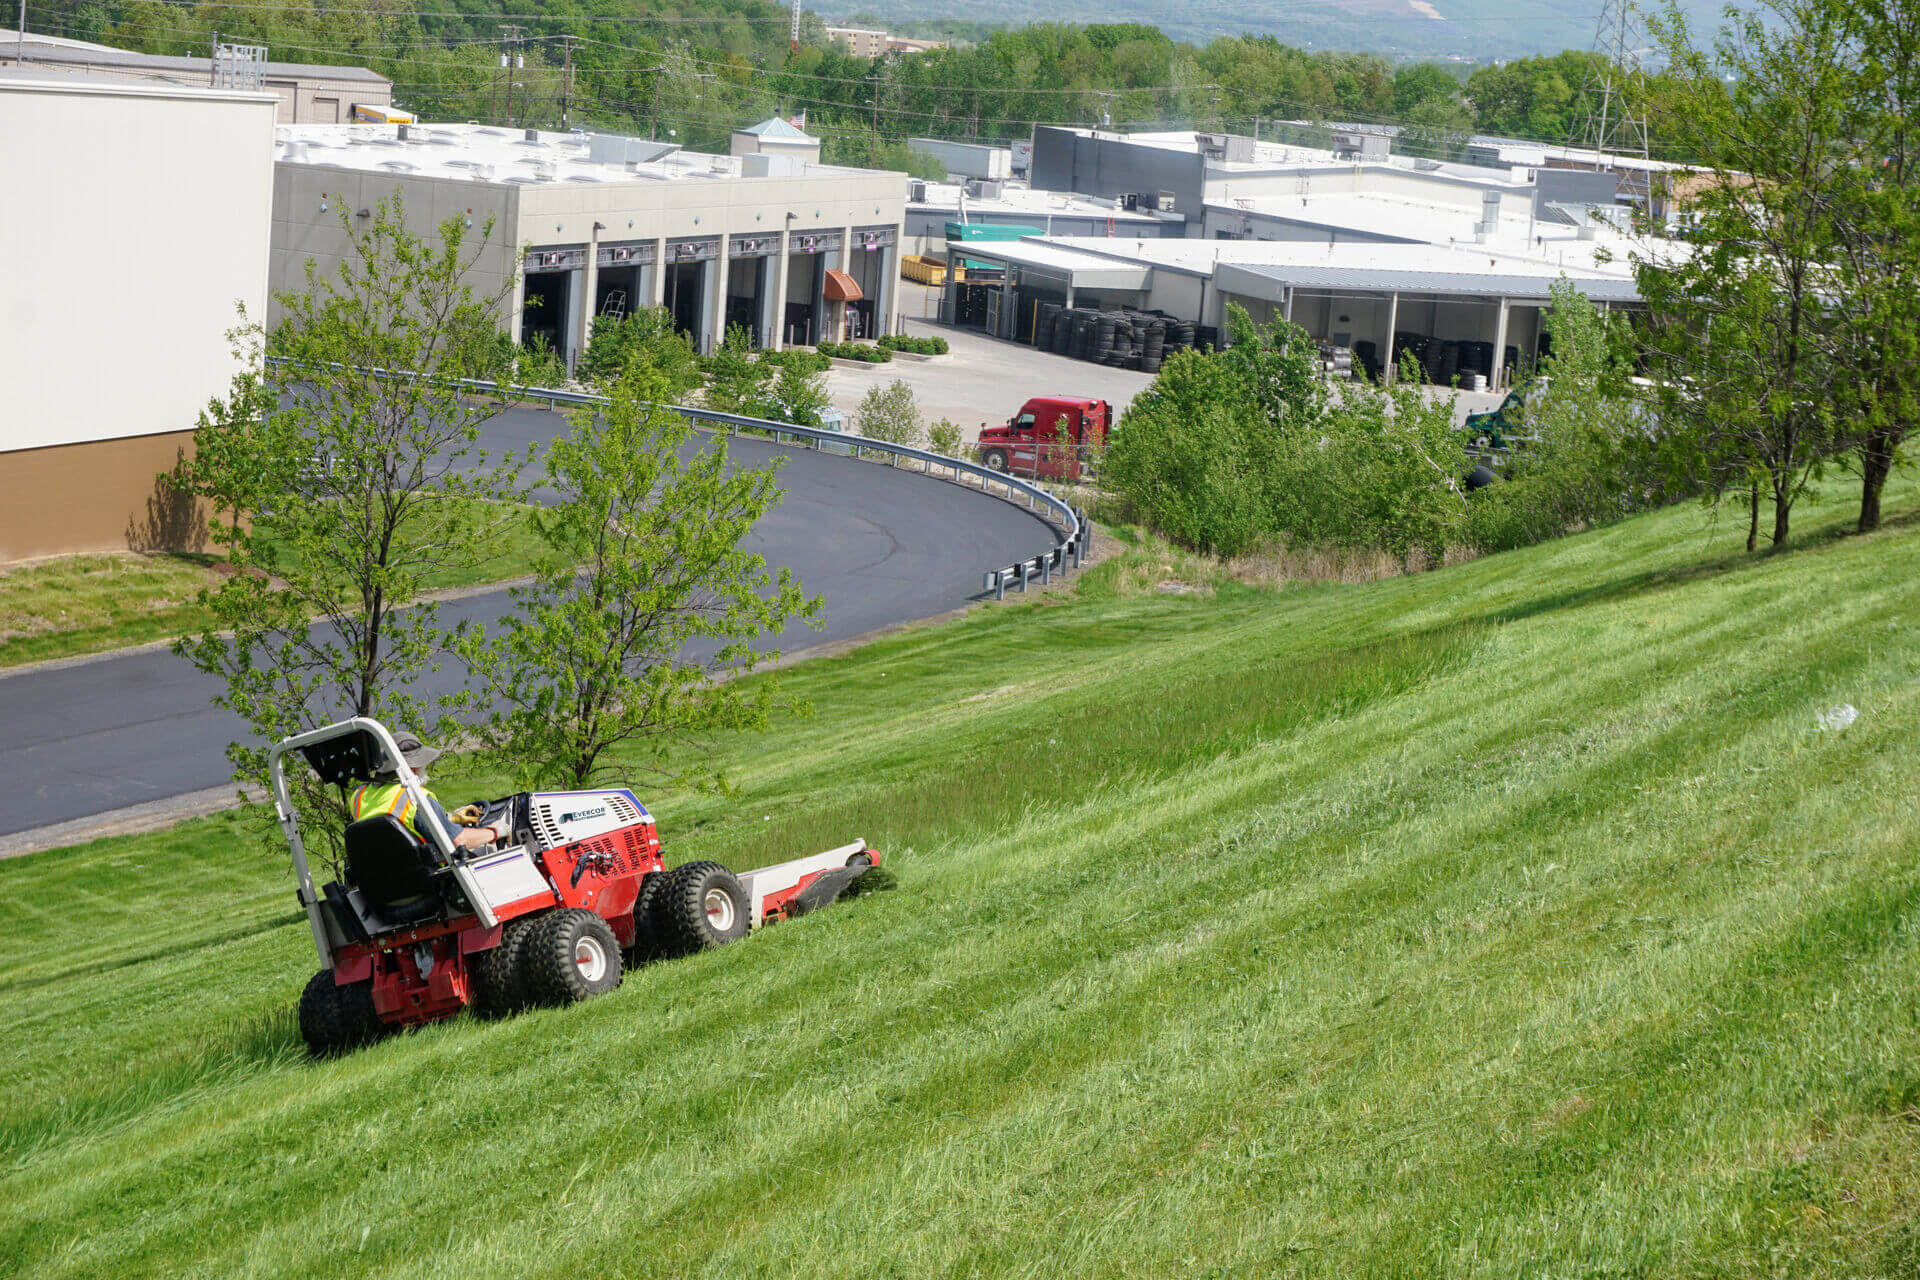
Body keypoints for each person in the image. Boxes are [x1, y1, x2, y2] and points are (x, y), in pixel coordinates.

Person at [349, 732, 497, 852]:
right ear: (413, 767)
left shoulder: (359, 796)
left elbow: (393, 831)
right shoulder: (415, 797)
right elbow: (458, 841)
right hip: (433, 882)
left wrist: (448, 820)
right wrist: (495, 832)